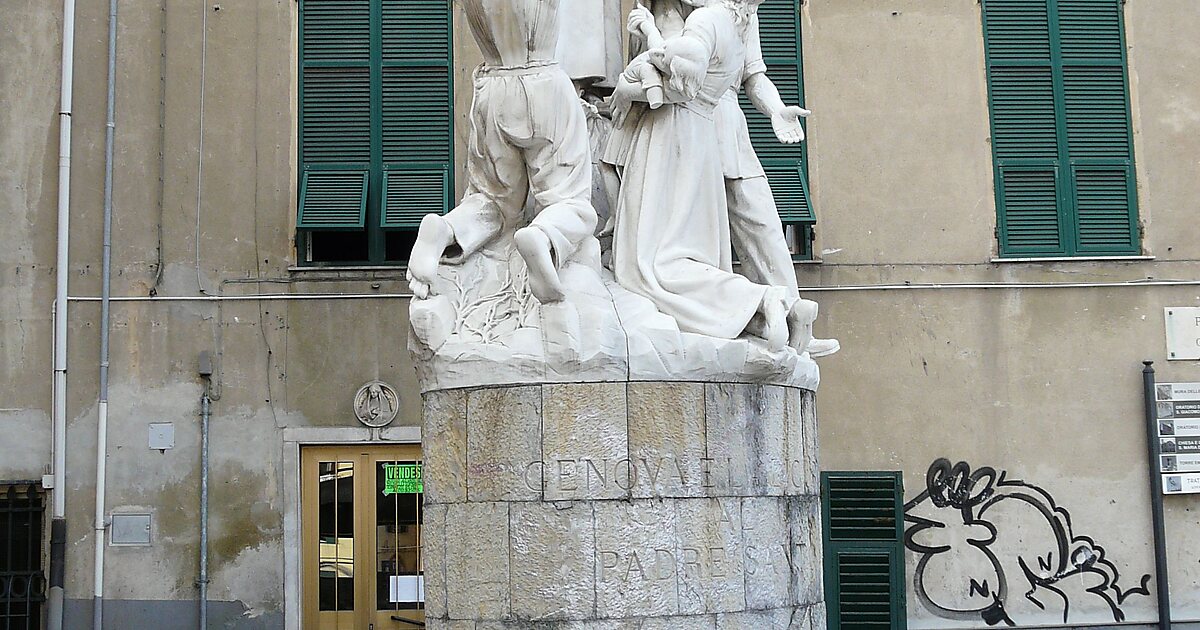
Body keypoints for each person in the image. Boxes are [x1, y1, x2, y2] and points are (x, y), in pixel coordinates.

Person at [609, 0, 837, 354]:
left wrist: (776, 109)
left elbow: (751, 75)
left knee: (760, 220)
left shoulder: (725, 17)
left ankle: (790, 315)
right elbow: (647, 70)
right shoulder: (665, 10)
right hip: (679, 115)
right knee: (679, 233)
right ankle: (775, 311)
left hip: (707, 116)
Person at [407, 0, 598, 304]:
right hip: (544, 81)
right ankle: (544, 236)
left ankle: (448, 229)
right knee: (570, 199)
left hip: (492, 88)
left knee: (492, 201)